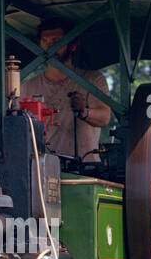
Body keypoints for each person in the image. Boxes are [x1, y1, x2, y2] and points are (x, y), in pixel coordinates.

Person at [20, 17, 111, 165]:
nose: (50, 46)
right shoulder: (27, 87)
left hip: (84, 168)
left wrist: (84, 111)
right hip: (42, 168)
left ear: (73, 45)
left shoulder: (93, 80)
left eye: (56, 41)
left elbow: (104, 117)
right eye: (45, 41)